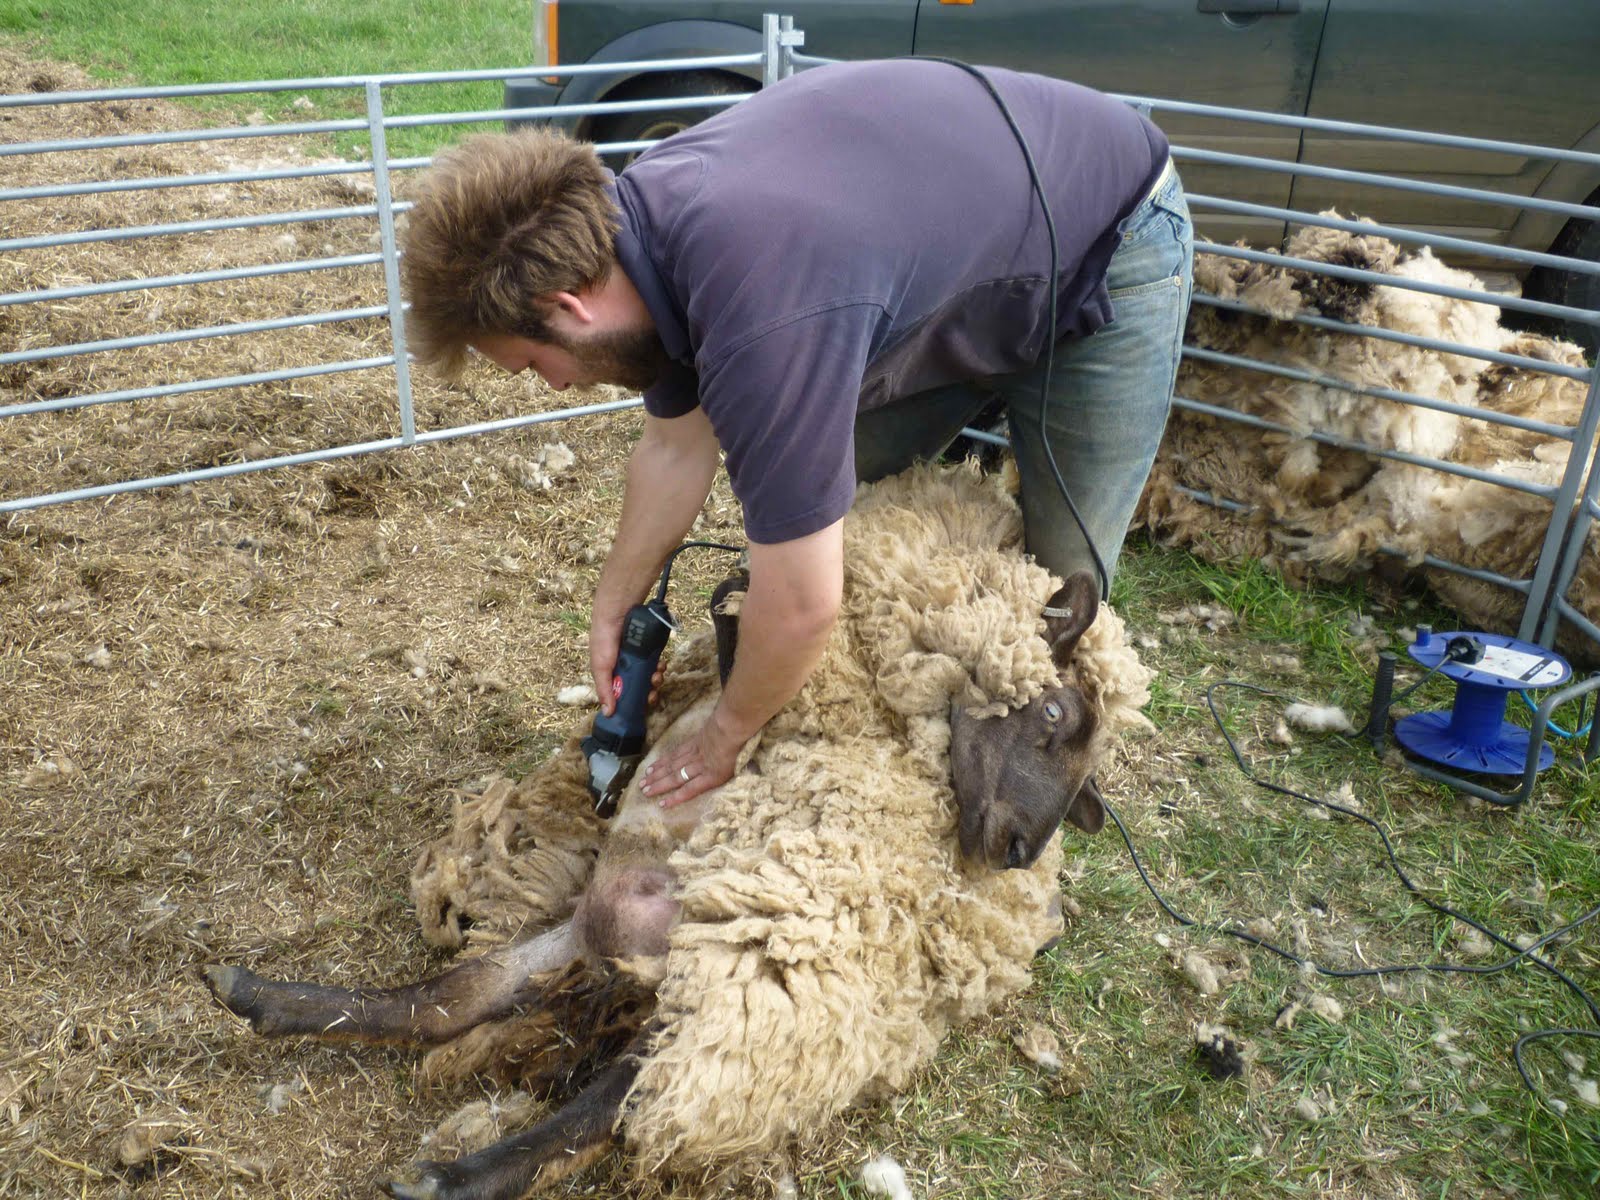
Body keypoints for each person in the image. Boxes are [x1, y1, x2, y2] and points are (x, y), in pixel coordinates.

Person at [400, 58, 1193, 812]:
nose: (557, 385)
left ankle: (1028, 807)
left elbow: (804, 603)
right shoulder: (643, 248)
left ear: (570, 306)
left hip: (1101, 243)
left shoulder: (761, 311)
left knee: (1062, 591)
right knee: (829, 513)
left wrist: (723, 738)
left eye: (535, 363)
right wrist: (614, 605)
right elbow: (676, 445)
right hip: (951, 267)